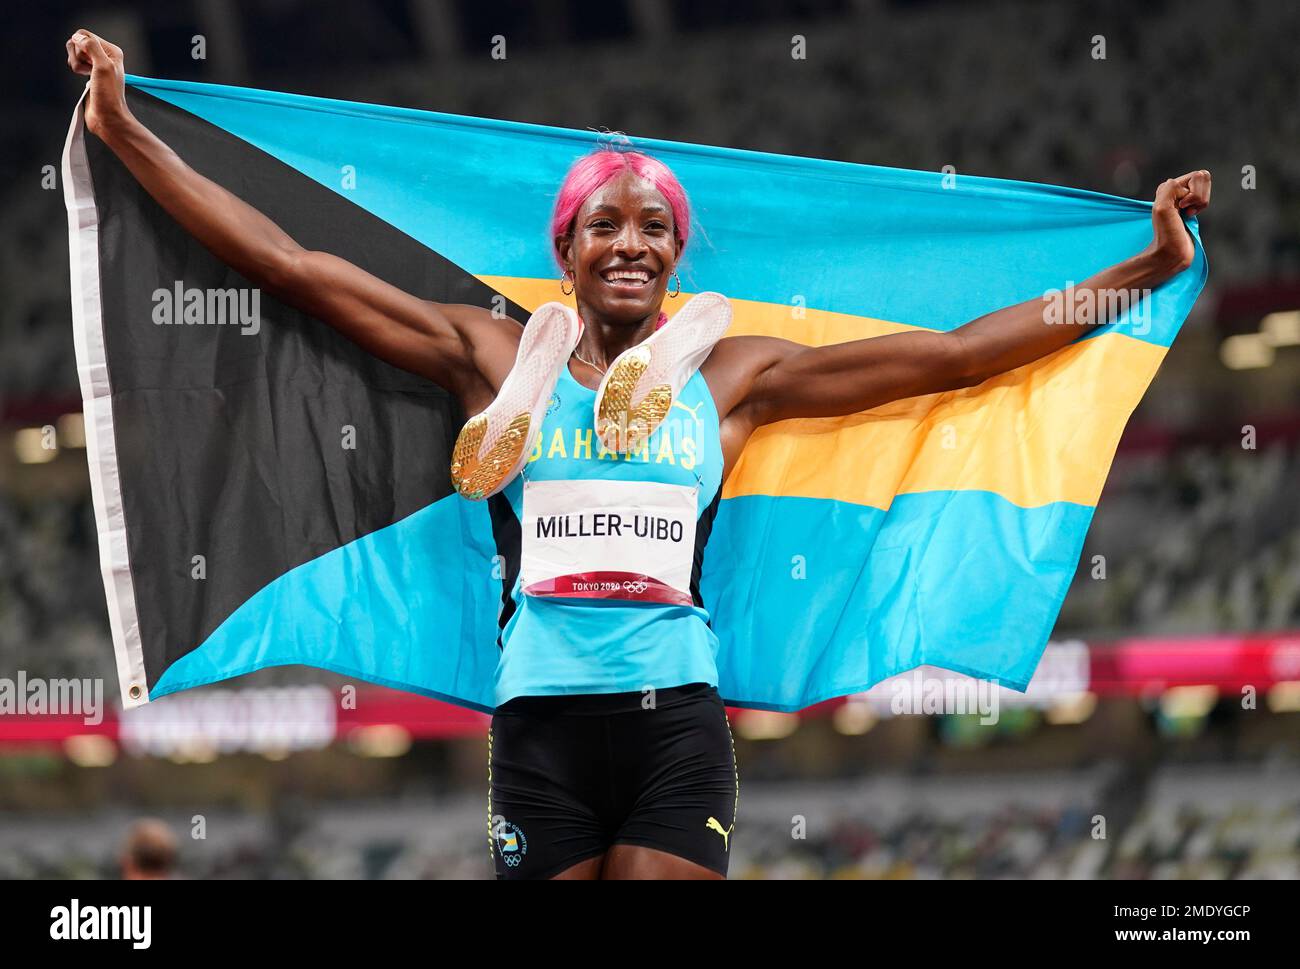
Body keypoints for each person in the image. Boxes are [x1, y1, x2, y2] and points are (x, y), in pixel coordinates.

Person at [66, 28, 1210, 880]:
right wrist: (122, 128)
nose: (629, 243)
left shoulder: (734, 377)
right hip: (539, 720)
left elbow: (954, 356)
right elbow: (292, 267)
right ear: (563, 251)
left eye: (653, 228)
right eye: (603, 227)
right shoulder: (486, 349)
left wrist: (1145, 271)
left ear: (673, 257)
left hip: (674, 721)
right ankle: (529, 403)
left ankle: (652, 363)